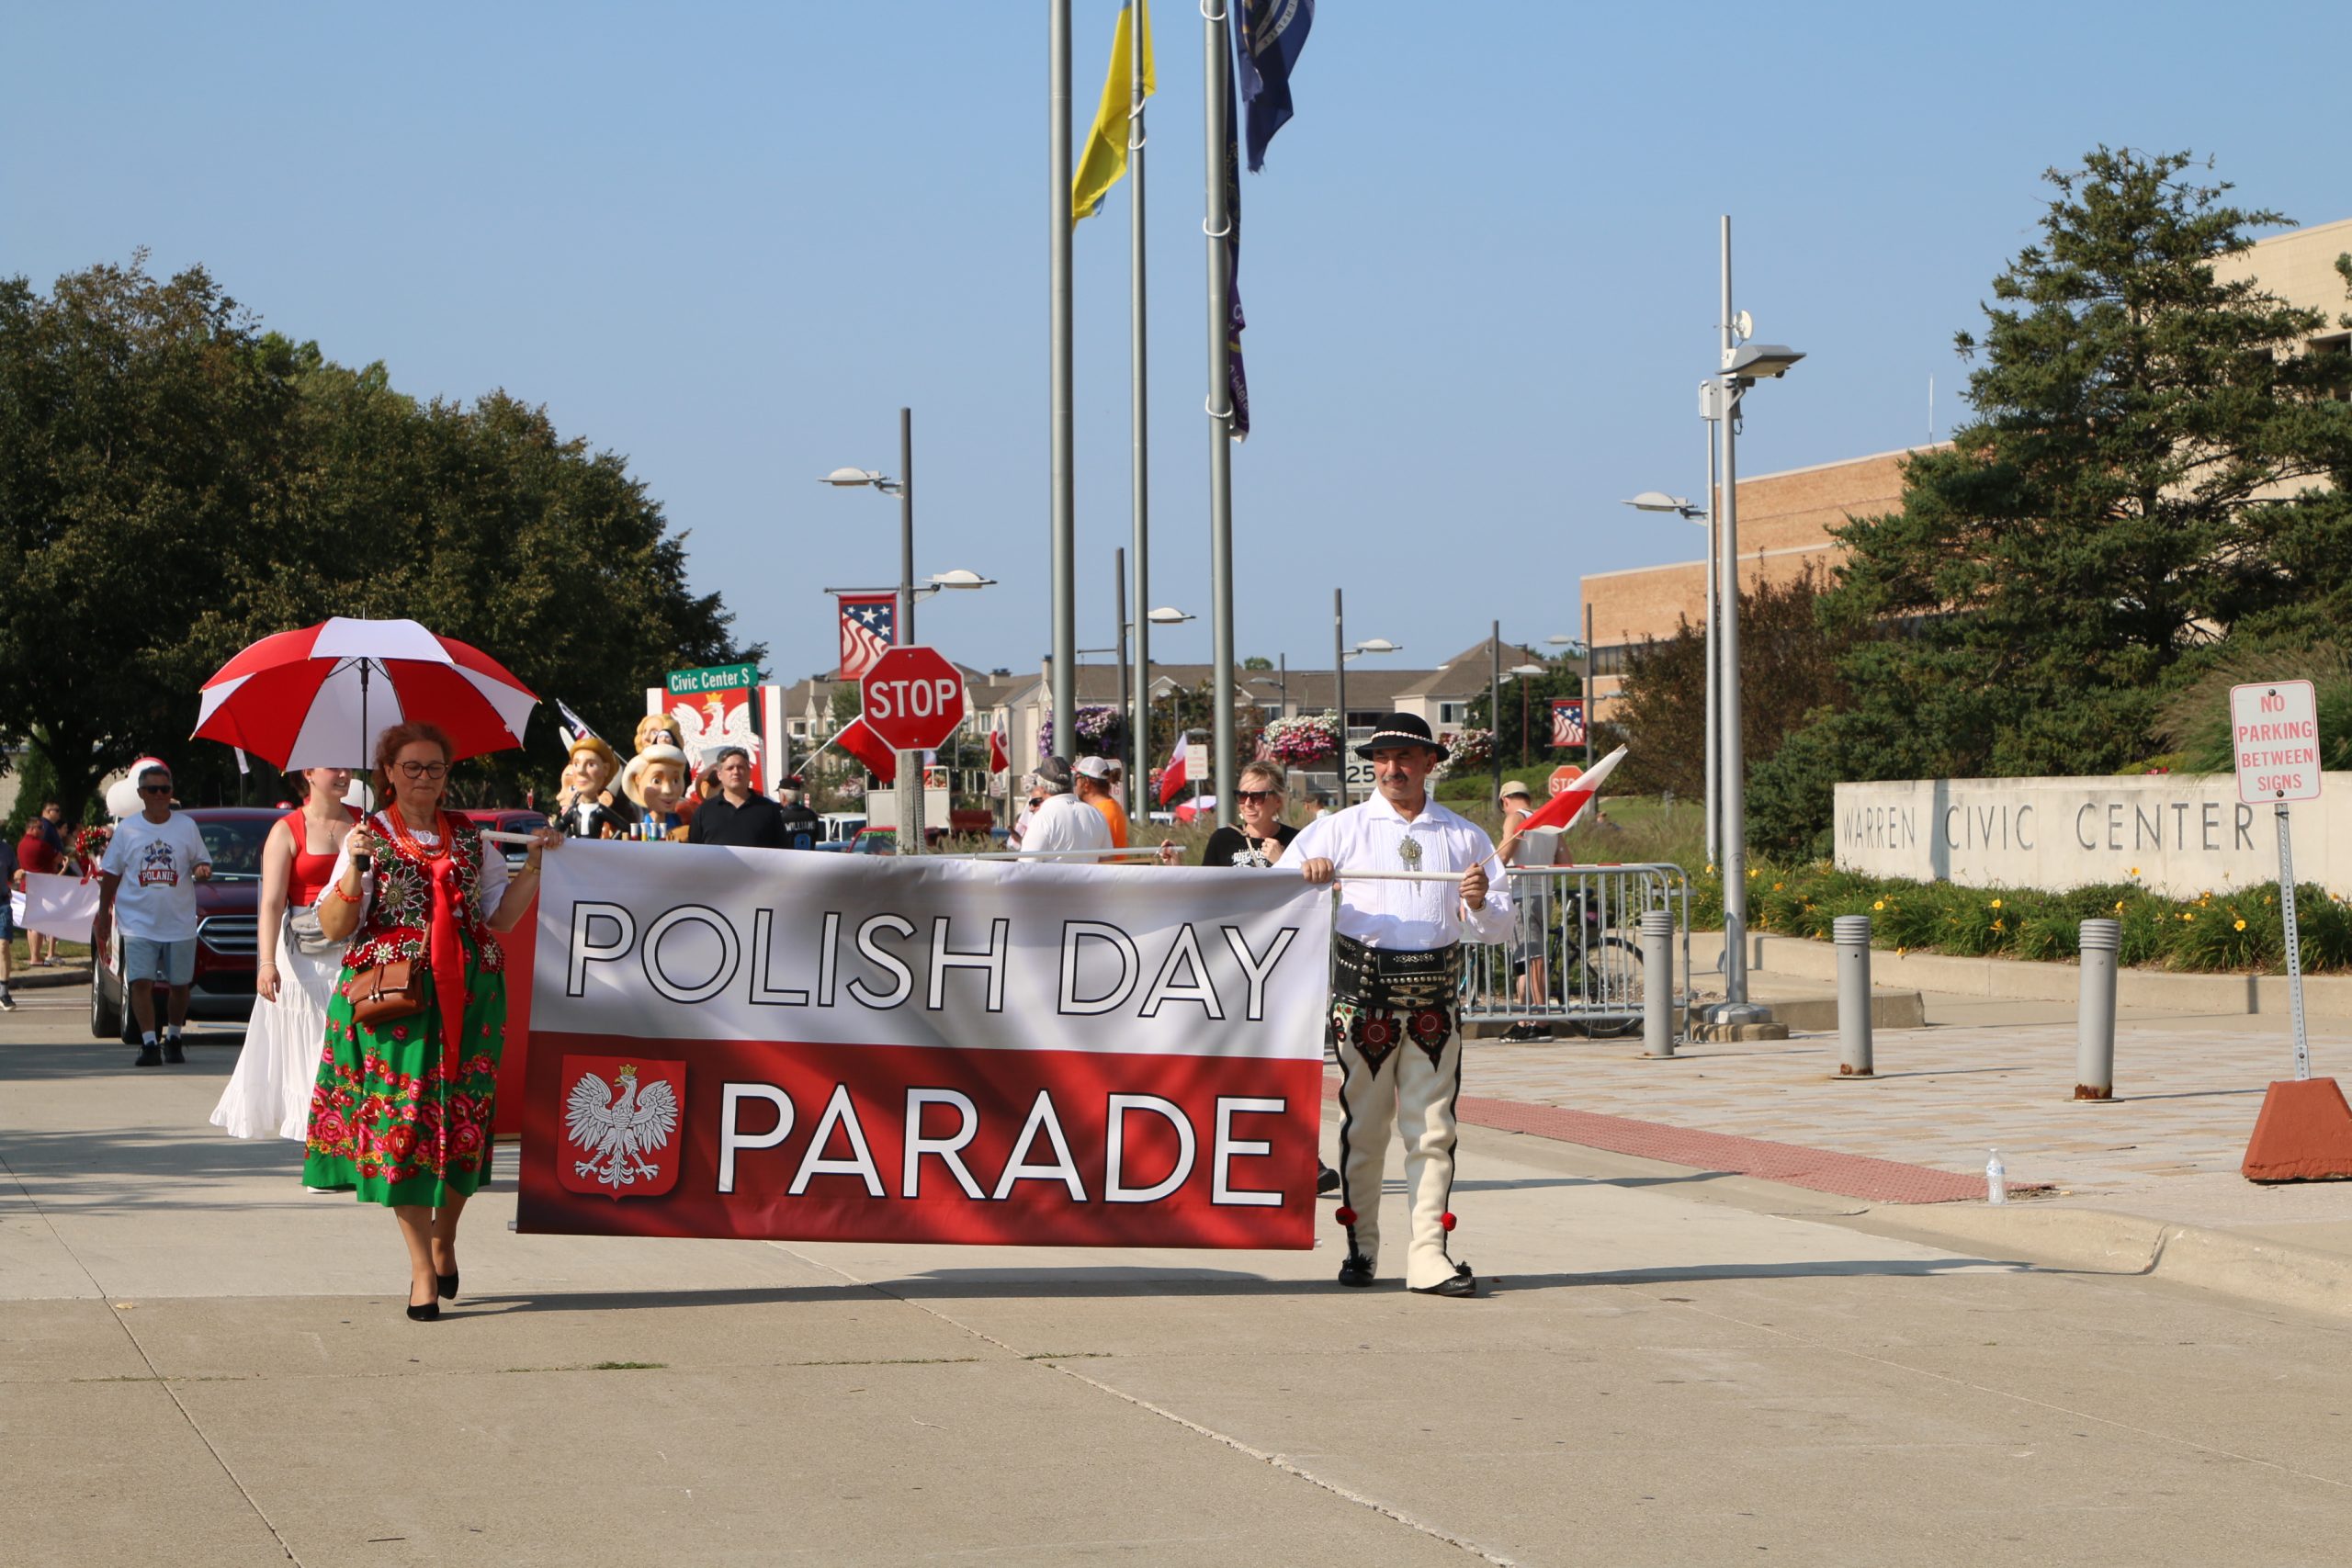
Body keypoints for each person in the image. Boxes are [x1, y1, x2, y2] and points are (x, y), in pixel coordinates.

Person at [309, 722, 560, 1322]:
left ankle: (445, 1236)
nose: (424, 777)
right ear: (388, 772)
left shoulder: (472, 839)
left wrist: (535, 867)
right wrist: (355, 871)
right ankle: (422, 1266)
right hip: (396, 998)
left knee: (465, 1121)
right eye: (412, 767)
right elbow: (335, 927)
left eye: (435, 767)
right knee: (406, 1126)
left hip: (472, 995)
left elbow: (500, 918)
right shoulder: (365, 837)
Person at [1291, 714, 1511, 1298]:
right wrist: (1307, 875)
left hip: (1436, 1003)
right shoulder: (1339, 829)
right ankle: (1361, 1248)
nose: (1392, 769)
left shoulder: (1466, 837)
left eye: (1405, 758)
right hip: (1364, 1002)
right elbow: (1278, 892)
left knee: (1433, 1130)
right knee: (1364, 1128)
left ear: (1430, 764)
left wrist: (1482, 901)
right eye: (1382, 758)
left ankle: (1428, 1255)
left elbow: (1501, 927)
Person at [210, 768, 359, 1140]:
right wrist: (266, 962)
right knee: (311, 1048)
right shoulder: (286, 829)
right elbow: (272, 903)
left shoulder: (363, 823)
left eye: (347, 767)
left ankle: (349, 1136)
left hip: (354, 945)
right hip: (304, 953)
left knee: (348, 1042)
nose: (344, 774)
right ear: (308, 773)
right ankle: (318, 1141)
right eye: (333, 767)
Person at [94, 764, 213, 1065]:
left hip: (179, 921)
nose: (159, 795)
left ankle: (173, 1036)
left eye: (165, 789)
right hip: (138, 922)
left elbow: (202, 862)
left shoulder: (186, 827)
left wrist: (201, 870)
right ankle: (149, 1043)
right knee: (140, 982)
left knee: (179, 986)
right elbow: (111, 875)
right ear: (141, 794)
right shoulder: (128, 830)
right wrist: (103, 914)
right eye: (152, 790)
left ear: (171, 793)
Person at [1496, 781, 1560, 1043]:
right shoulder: (1550, 823)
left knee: (1532, 959)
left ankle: (1542, 1022)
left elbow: (1505, 851)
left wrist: (1486, 869)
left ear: (1505, 801)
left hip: (1522, 894)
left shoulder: (1514, 818)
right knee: (1524, 961)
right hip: (1545, 894)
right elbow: (1566, 860)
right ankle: (1524, 1020)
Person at [687, 746, 788, 848]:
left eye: (741, 767)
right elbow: (694, 853)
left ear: (749, 772)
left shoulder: (769, 809)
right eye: (730, 768)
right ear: (719, 774)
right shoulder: (704, 811)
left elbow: (783, 851)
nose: (735, 772)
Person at [1019, 757, 1112, 857]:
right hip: (1090, 872)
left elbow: (1026, 866)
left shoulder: (1042, 818)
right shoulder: (1096, 814)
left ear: (1042, 788)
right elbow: (1107, 859)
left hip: (1052, 873)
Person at [16, 801, 69, 965]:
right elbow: (59, 858)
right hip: (42, 886)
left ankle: (34, 955)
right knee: (40, 922)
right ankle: (37, 956)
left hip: (27, 886)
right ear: (31, 828)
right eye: (40, 828)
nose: (42, 830)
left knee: (31, 923)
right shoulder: (40, 845)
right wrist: (61, 864)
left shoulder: (21, 845)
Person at [553, 737, 636, 840]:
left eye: (591, 764)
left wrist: (610, 842)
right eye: (576, 764)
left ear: (605, 769)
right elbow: (557, 828)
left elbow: (625, 827)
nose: (580, 771)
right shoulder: (574, 811)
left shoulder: (600, 810)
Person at [620, 743, 692, 840]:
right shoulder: (643, 827)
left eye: (675, 781)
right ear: (638, 781)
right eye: (657, 781)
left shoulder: (675, 819)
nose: (668, 790)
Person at [1074, 756, 1130, 848]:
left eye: (1077, 778)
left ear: (1086, 782)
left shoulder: (1102, 813)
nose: (1075, 784)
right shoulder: (1109, 807)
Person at [775, 775, 822, 851]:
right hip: (809, 859)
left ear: (783, 796)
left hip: (788, 860)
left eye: (779, 794)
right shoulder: (811, 815)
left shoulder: (780, 817)